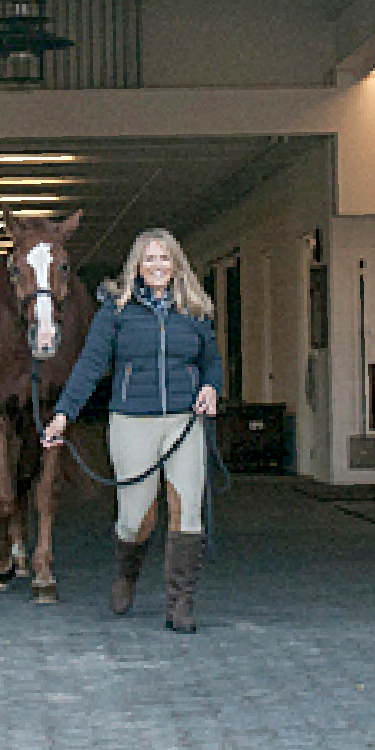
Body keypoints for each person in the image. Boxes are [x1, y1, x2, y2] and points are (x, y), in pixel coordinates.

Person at [42, 228, 221, 633]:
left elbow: (212, 361)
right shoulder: (115, 311)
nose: (157, 266)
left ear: (176, 264)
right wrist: (63, 415)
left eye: (164, 258)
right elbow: (89, 366)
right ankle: (127, 575)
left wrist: (211, 387)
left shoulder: (195, 309)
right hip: (131, 421)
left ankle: (181, 604)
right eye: (149, 259)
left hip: (183, 421)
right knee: (135, 518)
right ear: (137, 267)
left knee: (187, 511)